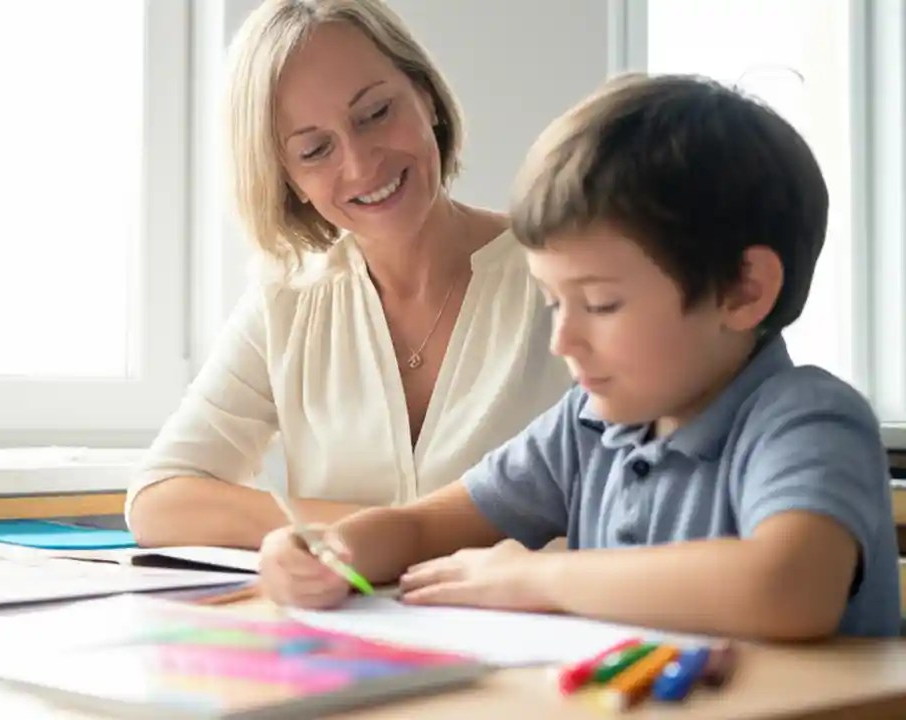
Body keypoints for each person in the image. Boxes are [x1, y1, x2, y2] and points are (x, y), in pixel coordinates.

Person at [257, 73, 901, 639]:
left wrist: (539, 579)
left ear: (743, 289)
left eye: (599, 304)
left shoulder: (806, 419)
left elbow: (787, 588)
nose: (564, 340)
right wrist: (330, 549)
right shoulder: (587, 425)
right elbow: (421, 529)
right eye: (554, 303)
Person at [126, 0, 571, 549]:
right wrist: (368, 536)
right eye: (315, 149)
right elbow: (159, 501)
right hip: (352, 631)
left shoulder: (565, 271)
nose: (361, 165)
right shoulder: (287, 299)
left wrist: (391, 536)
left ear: (425, 96)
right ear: (288, 178)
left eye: (376, 113)